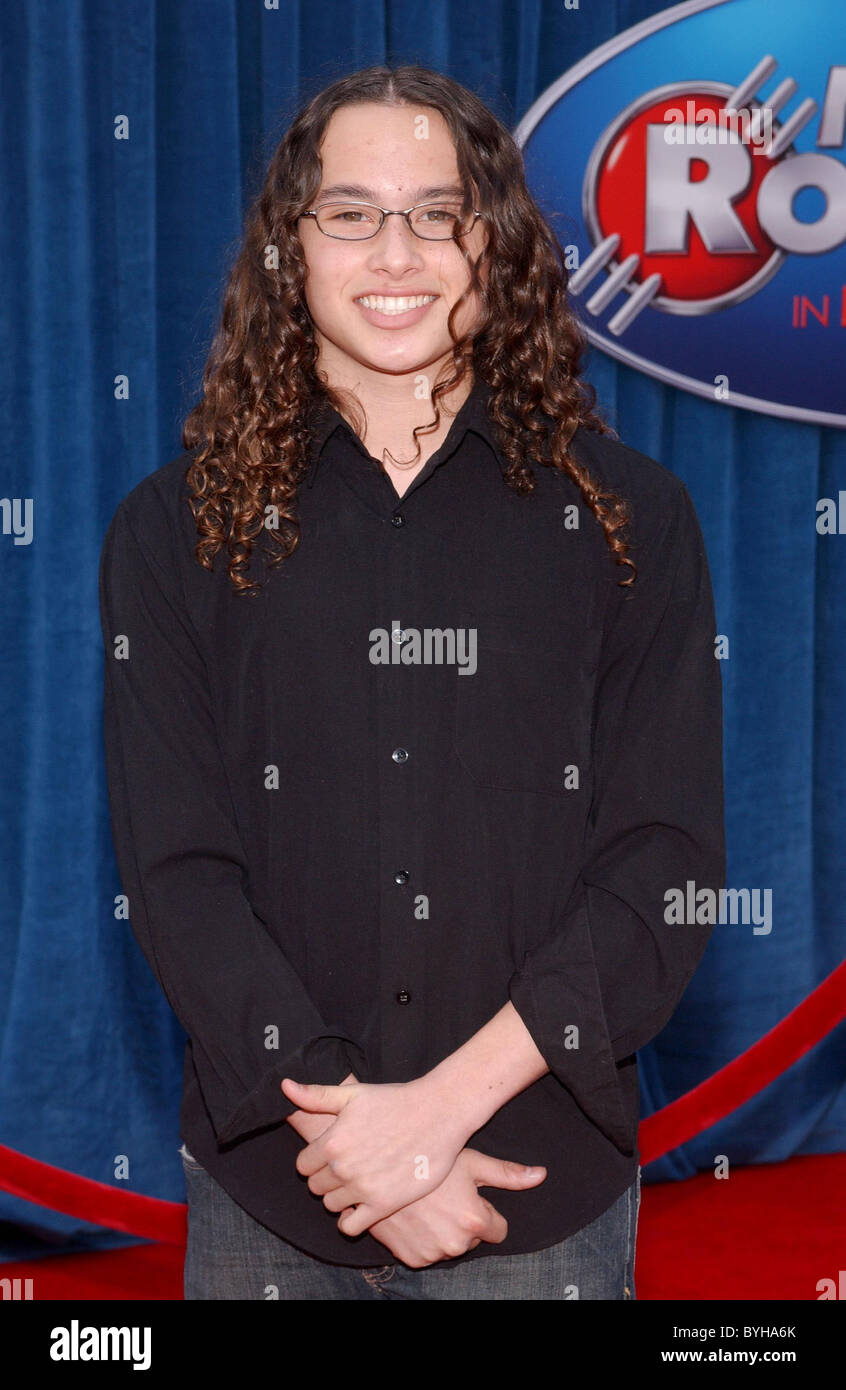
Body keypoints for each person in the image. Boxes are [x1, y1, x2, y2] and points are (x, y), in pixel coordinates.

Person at [98, 63, 725, 1301]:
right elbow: (179, 876)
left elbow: (664, 868)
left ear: (493, 248)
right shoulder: (173, 532)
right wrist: (357, 1142)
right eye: (352, 212)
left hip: (534, 1188)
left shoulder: (630, 520)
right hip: (275, 1186)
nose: (399, 251)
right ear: (290, 247)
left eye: (439, 212)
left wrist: (434, 1116)